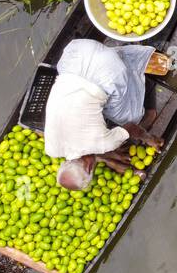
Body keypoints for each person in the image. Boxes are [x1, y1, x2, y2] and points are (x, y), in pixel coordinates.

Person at [44, 38, 164, 190]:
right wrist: (108, 159)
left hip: (108, 69)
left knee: (130, 117)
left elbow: (132, 128)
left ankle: (146, 84)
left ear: (89, 168)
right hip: (75, 54)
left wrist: (149, 139)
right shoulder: (51, 149)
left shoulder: (102, 143)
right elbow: (85, 148)